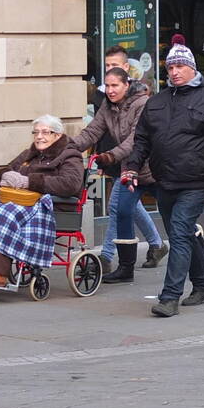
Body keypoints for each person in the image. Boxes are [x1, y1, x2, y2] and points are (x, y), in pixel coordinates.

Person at [123, 44, 204, 317]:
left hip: (195, 180)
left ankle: (169, 297)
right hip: (164, 179)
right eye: (170, 67)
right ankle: (203, 283)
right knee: (182, 234)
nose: (175, 72)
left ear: (192, 68)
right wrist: (132, 168)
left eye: (180, 66)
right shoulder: (156, 102)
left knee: (180, 232)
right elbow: (142, 140)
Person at [0, 115, 84, 287]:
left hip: (50, 204)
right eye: (36, 132)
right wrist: (3, 176)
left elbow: (70, 184)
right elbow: (7, 169)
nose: (39, 136)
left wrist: (29, 182)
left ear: (57, 135)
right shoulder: (30, 154)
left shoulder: (69, 155)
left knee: (7, 213)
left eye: (45, 132)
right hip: (21, 200)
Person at [70, 67, 157, 284]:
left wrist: (111, 156)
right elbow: (92, 132)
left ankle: (200, 255)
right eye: (107, 86)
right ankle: (126, 268)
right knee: (122, 211)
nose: (110, 90)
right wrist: (67, 147)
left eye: (115, 85)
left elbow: (135, 139)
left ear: (126, 85)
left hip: (155, 169)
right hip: (131, 169)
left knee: (175, 216)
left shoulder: (142, 103)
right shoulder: (108, 107)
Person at [97, 46, 166, 270]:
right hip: (118, 159)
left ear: (126, 69)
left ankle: (107, 256)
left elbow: (135, 138)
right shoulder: (106, 94)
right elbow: (98, 128)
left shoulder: (141, 98)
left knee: (119, 207)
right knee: (127, 207)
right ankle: (156, 244)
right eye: (107, 66)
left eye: (115, 65)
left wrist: (111, 156)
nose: (110, 70)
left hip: (139, 163)